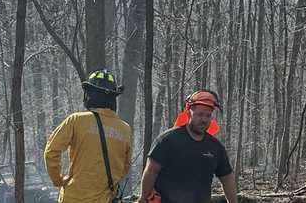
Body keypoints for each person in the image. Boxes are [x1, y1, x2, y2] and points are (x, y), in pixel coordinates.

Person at [44, 69, 133, 202]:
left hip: (73, 198)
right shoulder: (125, 129)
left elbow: (51, 152)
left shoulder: (76, 120)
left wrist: (58, 180)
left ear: (90, 94)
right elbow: (125, 167)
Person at [138, 90, 237, 203]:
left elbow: (227, 178)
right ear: (189, 112)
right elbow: (151, 171)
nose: (204, 119)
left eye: (208, 115)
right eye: (199, 114)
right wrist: (142, 199)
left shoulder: (215, 147)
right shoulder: (168, 140)